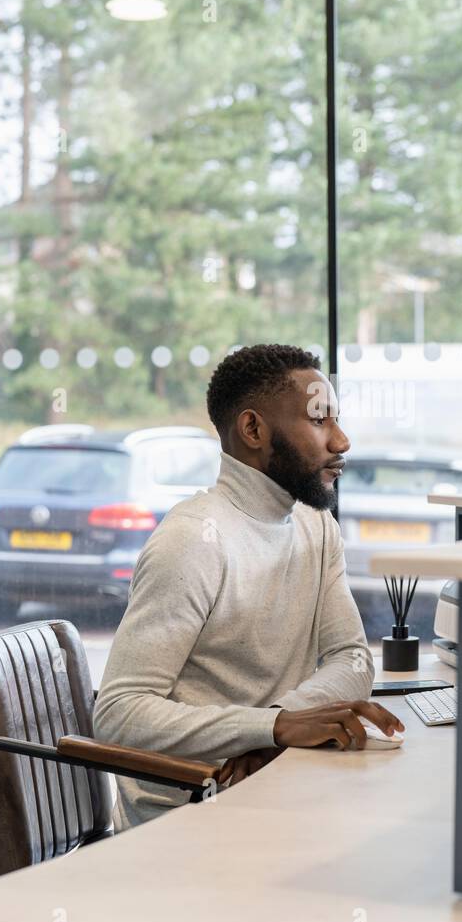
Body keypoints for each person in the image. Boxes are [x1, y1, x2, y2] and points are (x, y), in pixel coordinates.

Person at [93, 342, 402, 829]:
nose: (341, 442)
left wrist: (274, 733)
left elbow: (352, 658)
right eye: (320, 421)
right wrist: (275, 729)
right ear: (254, 429)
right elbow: (118, 714)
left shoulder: (315, 526)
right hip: (188, 814)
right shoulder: (193, 540)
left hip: (273, 783)